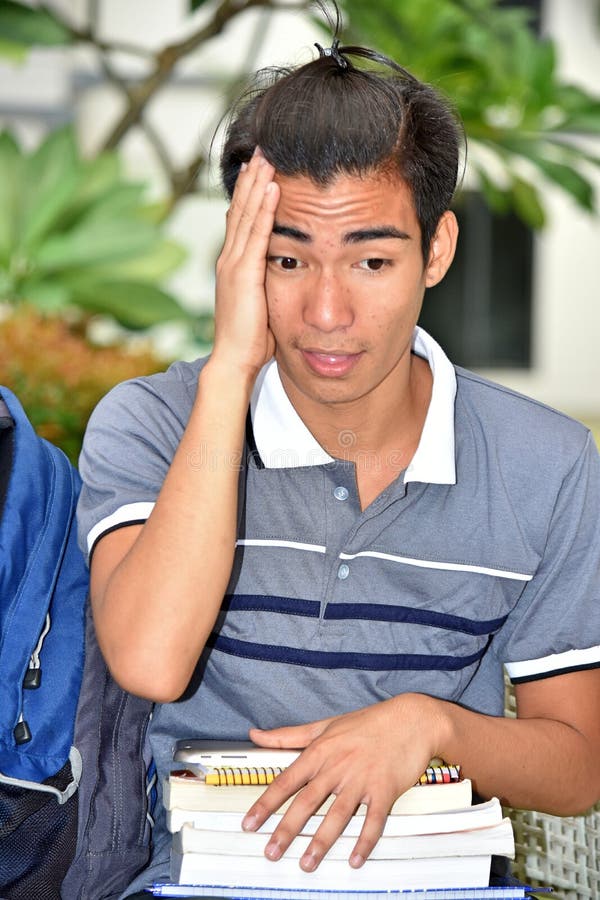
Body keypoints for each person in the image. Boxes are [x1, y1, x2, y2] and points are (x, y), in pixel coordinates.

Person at [76, 17, 600, 898]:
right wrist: (232, 371)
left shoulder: (545, 463)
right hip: (192, 883)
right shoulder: (155, 423)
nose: (325, 311)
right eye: (287, 259)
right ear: (240, 261)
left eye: (370, 260)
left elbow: (579, 768)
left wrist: (427, 726)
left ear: (437, 250)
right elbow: (153, 661)